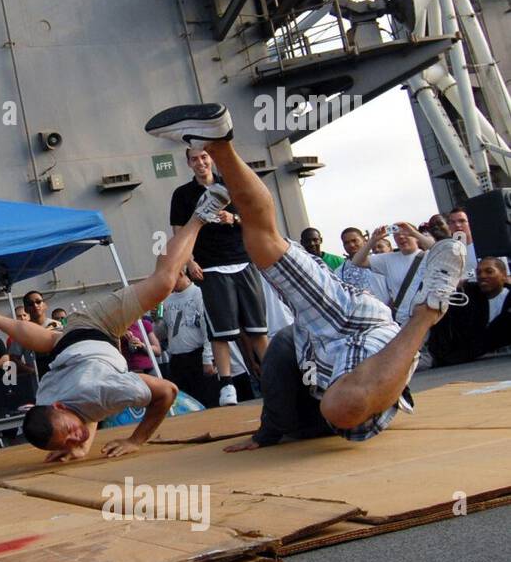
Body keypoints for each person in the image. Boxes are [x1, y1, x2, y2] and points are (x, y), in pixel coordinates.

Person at [147, 103, 468, 442]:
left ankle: (218, 141)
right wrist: (267, 434)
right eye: (196, 158)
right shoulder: (292, 376)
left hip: (322, 332)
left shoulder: (285, 371)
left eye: (203, 158)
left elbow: (275, 381)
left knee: (262, 242)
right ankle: (427, 311)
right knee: (344, 409)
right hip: (359, 345)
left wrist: (266, 435)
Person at [0, 201, 220, 462]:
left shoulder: (104, 390)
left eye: (69, 431)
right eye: (67, 440)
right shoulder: (45, 400)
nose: (75, 437)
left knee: (165, 282)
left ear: (58, 406)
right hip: (69, 343)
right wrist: (76, 443)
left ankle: (199, 216)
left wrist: (136, 440)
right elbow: (87, 406)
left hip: (98, 326)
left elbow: (167, 392)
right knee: (51, 340)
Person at [169, 145, 268, 406]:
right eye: (194, 159)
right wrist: (188, 260)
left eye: (204, 157)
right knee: (220, 331)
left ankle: (273, 376)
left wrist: (232, 219)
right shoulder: (183, 194)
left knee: (257, 327)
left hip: (242, 261)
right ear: (188, 163)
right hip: (211, 266)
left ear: (210, 159)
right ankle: (227, 385)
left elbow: (255, 218)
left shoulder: (232, 185)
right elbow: (179, 232)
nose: (200, 162)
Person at [221, 326, 335, 452]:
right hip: (327, 422)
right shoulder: (286, 343)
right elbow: (277, 394)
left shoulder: (285, 342)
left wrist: (265, 435)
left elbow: (277, 395)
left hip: (322, 422)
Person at [428, 257, 511, 366]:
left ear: (504, 275)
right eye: (478, 273)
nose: (482, 276)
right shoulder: (465, 298)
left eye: (489, 271)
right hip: (465, 361)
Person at [349, 222, 432, 318]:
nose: (401, 237)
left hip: (429, 316)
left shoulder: (429, 256)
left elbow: (442, 248)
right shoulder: (388, 259)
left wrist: (414, 232)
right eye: (396, 235)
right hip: (404, 319)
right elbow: (357, 261)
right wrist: (372, 240)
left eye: (405, 234)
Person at [160, 270, 214, 407]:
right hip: (177, 358)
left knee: (205, 398)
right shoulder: (166, 300)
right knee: (184, 403)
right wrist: (157, 320)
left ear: (180, 273)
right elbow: (164, 332)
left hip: (196, 355)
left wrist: (208, 357)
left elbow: (207, 327)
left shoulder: (198, 294)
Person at [338, 227, 390, 303]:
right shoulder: (339, 272)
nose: (351, 245)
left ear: (365, 241)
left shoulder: (381, 262)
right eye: (346, 243)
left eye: (354, 241)